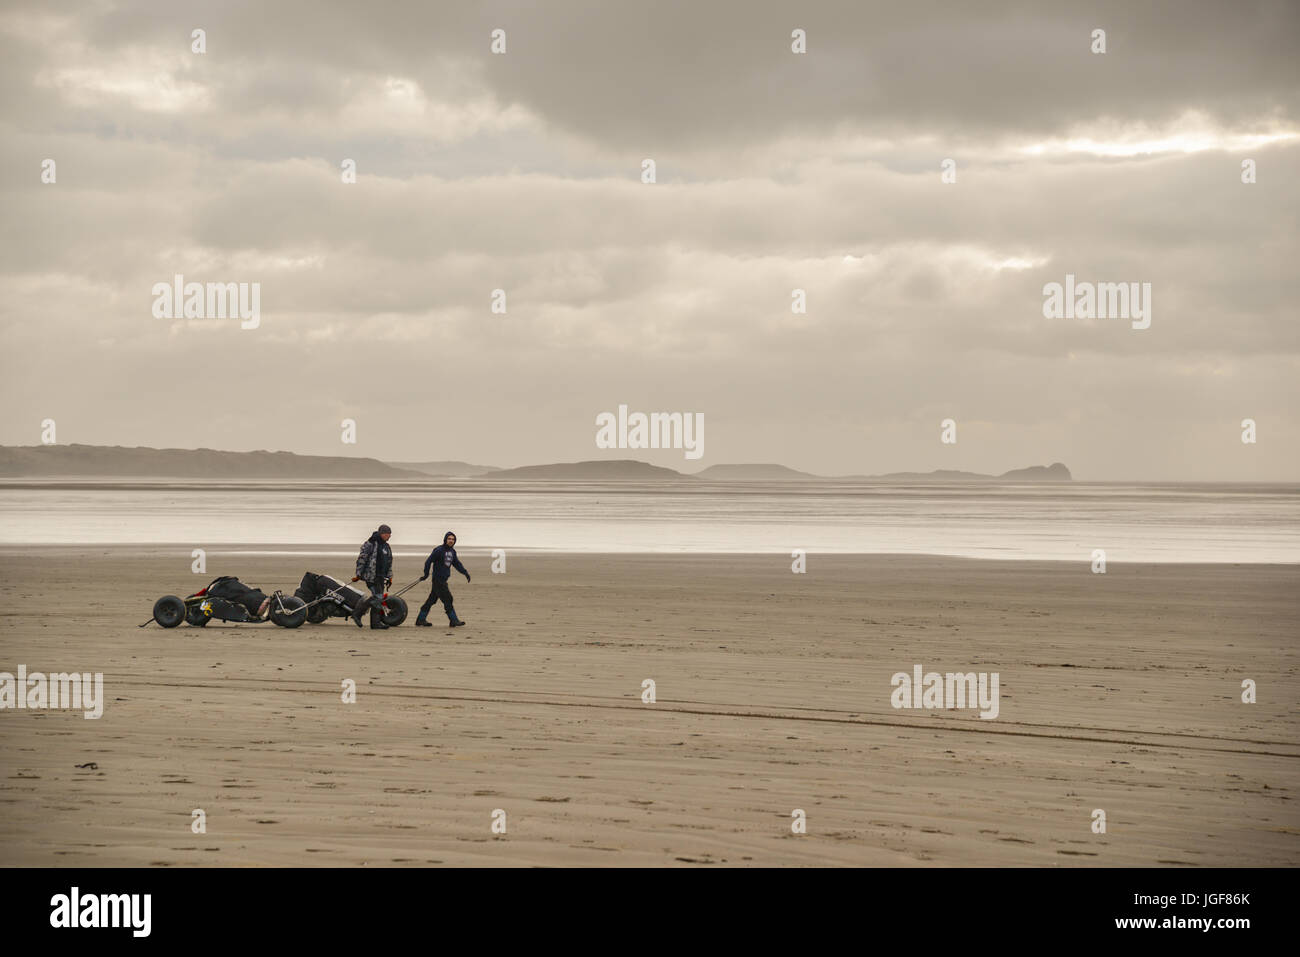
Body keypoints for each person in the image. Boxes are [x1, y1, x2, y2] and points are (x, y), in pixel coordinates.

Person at [415, 530, 470, 627]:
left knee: (431, 600)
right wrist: (426, 574)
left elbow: (457, 564)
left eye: (453, 539)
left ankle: (420, 619)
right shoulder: (439, 550)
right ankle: (453, 620)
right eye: (449, 539)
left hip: (443, 580)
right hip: (438, 580)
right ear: (445, 539)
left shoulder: (452, 552)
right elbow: (428, 562)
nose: (451, 541)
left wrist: (465, 573)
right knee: (448, 599)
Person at [352, 524, 394, 630]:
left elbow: (389, 562)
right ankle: (358, 614)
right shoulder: (370, 543)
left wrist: (389, 577)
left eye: (390, 534)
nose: (389, 536)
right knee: (377, 597)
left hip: (381, 576)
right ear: (382, 534)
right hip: (371, 576)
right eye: (387, 534)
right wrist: (358, 574)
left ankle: (374, 623)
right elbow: (362, 558)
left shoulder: (386, 546)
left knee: (378, 598)